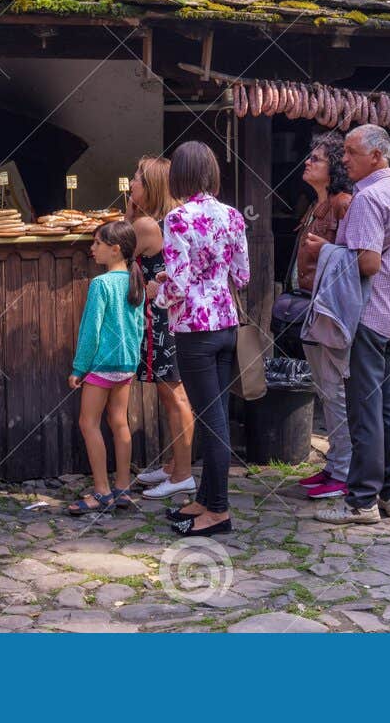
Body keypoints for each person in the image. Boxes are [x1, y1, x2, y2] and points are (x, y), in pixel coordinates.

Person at [311, 125, 390, 527]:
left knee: (365, 409)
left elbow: (368, 262)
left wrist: (329, 252)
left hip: (370, 314)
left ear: (376, 156)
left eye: (351, 153)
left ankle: (360, 501)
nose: (344, 160)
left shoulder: (368, 199)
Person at [156, 141, 249, 538]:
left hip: (194, 329)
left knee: (210, 422)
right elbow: (242, 276)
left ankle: (219, 511)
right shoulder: (232, 216)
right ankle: (207, 500)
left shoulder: (177, 218)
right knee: (218, 418)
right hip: (226, 323)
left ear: (179, 175)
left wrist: (159, 294)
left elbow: (176, 283)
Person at [65, 220, 145, 515]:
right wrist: (132, 361)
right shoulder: (136, 282)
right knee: (119, 422)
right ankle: (123, 487)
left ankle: (101, 491)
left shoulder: (101, 285)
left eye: (97, 243)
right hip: (125, 365)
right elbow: (139, 327)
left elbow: (90, 331)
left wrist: (79, 368)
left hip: (100, 366)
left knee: (89, 423)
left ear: (114, 249)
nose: (92, 248)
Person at [127, 155, 195, 502]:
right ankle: (173, 465)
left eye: (137, 178)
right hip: (170, 317)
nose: (131, 183)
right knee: (172, 396)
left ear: (151, 186)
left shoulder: (146, 226)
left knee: (174, 396)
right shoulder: (167, 221)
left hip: (162, 320)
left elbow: (118, 247)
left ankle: (183, 474)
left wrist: (128, 210)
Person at [292, 132, 355, 501]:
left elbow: (356, 259)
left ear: (332, 169)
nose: (308, 162)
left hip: (332, 310)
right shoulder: (316, 207)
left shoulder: (343, 204)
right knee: (325, 392)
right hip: (314, 305)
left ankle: (345, 470)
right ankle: (335, 463)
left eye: (316, 159)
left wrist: (328, 248)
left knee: (336, 392)